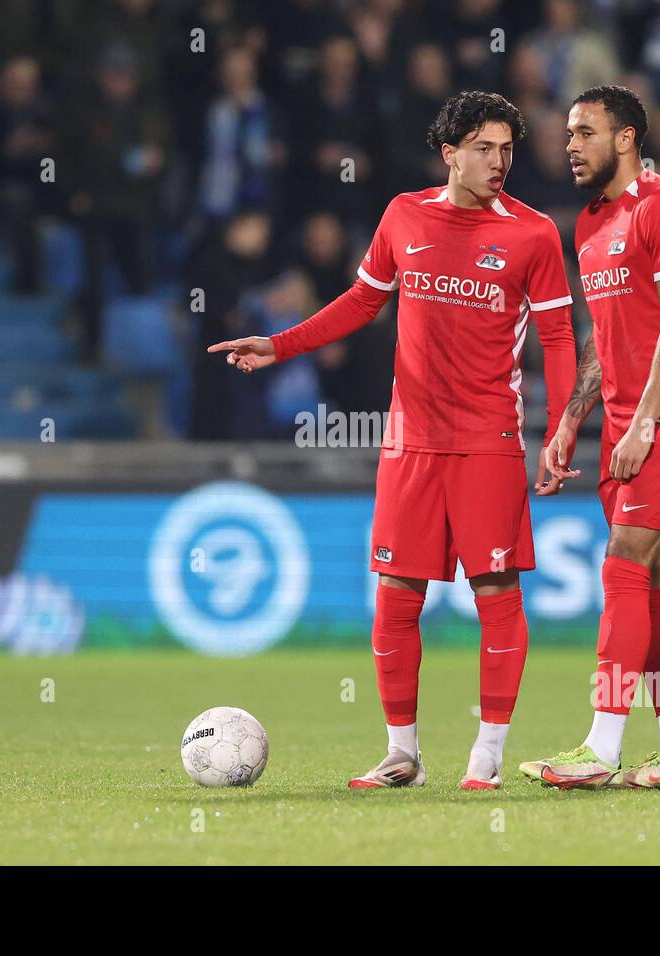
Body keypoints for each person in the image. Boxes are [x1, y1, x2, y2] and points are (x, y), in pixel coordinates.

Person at [209, 91, 576, 790]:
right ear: (449, 153)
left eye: (507, 149)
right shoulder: (404, 216)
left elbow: (558, 335)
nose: (498, 162)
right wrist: (280, 345)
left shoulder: (532, 235)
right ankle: (401, 752)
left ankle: (487, 756)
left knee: (496, 593)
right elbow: (362, 300)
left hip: (488, 438)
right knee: (397, 596)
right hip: (410, 441)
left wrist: (561, 426)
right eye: (483, 148)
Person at [520, 85, 660, 790]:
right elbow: (606, 335)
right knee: (655, 583)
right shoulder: (591, 223)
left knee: (623, 562)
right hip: (622, 422)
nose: (569, 144)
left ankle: (600, 747)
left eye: (584, 131)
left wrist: (642, 423)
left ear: (628, 137)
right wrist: (574, 416)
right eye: (567, 132)